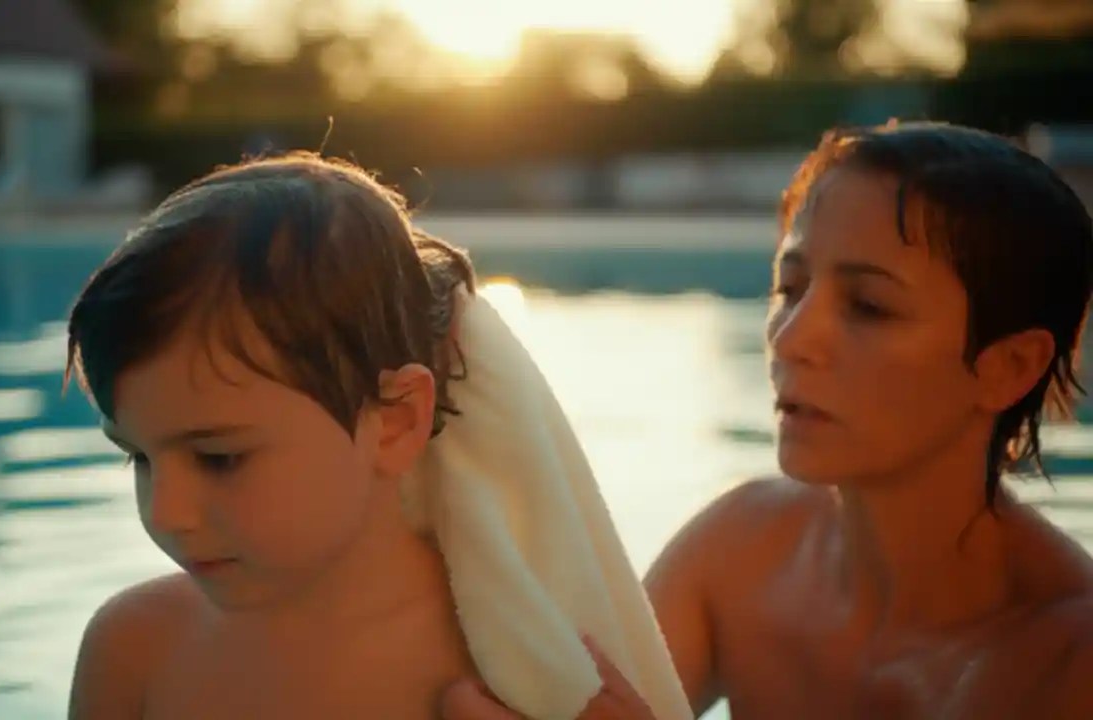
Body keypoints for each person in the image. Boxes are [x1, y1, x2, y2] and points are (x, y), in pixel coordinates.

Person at [442, 122, 1093, 719]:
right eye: (791, 288)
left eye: (868, 306)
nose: (791, 337)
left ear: (1009, 366)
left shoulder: (1066, 662)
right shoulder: (742, 552)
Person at [64, 153, 483, 718]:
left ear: (394, 420)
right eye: (138, 457)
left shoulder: (501, 660)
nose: (165, 513)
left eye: (219, 459)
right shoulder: (137, 650)